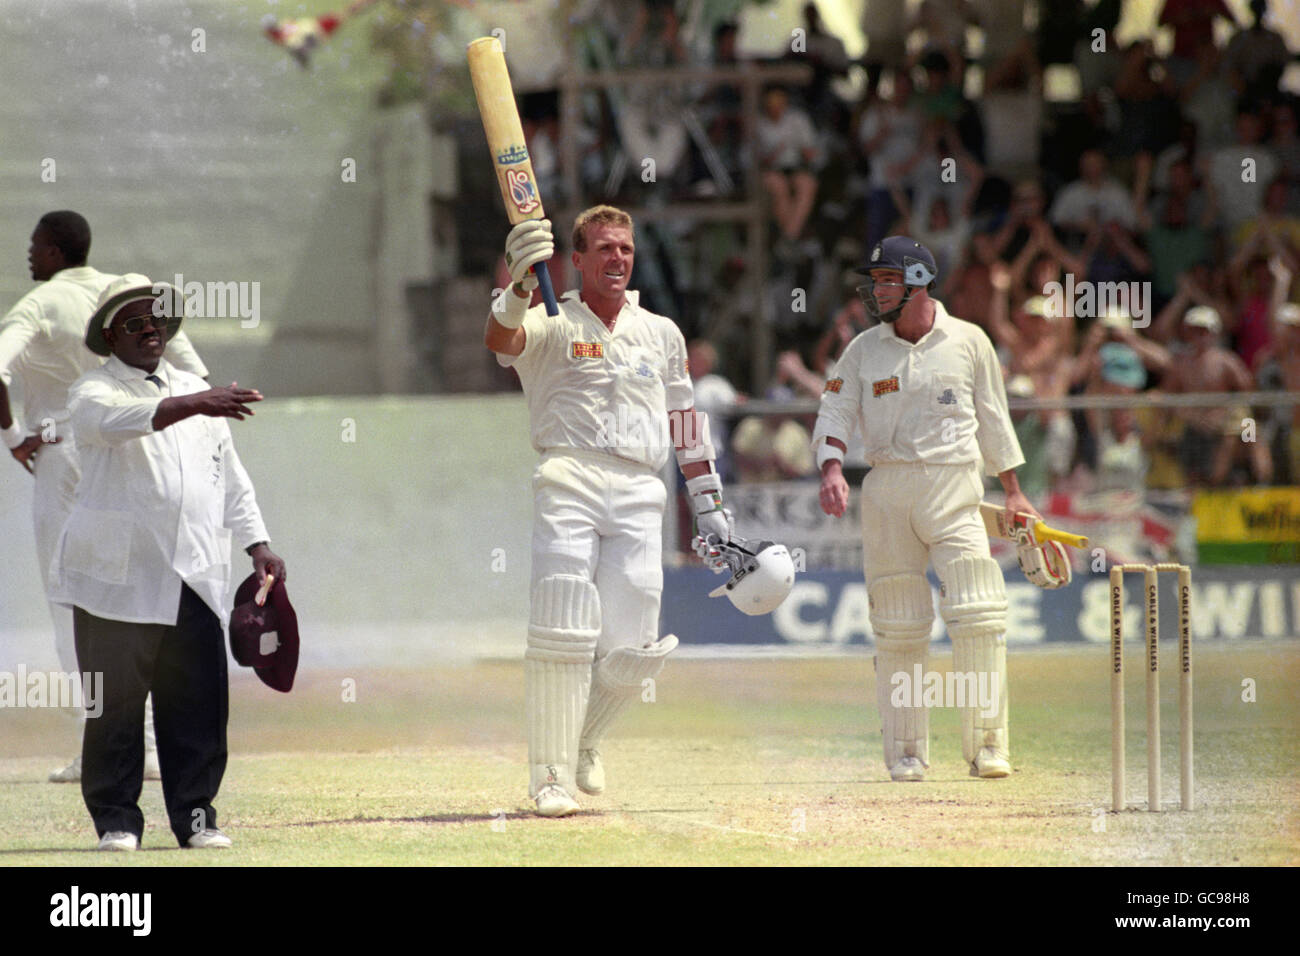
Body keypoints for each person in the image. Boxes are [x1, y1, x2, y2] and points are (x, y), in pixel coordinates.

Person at [484, 206, 739, 817]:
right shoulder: (549, 318)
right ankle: (550, 776)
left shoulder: (661, 332)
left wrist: (708, 502)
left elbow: (684, 419)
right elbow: (500, 342)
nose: (617, 258)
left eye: (624, 248)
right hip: (568, 475)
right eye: (603, 248)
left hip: (640, 487)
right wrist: (518, 285)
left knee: (636, 644)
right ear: (578, 260)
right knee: (563, 623)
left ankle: (584, 739)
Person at [812, 237, 1067, 782]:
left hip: (957, 486)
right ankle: (907, 752)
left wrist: (1014, 491)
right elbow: (834, 408)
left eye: (887, 281)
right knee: (899, 623)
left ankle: (989, 746)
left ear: (919, 281)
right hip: (888, 489)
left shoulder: (970, 341)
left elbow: (994, 418)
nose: (876, 292)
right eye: (875, 282)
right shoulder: (863, 349)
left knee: (979, 611)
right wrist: (831, 469)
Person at [47, 274, 284, 851]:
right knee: (116, 710)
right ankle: (118, 822)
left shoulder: (195, 389)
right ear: (111, 336)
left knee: (197, 707)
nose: (150, 328)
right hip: (116, 580)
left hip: (191, 576)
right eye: (134, 322)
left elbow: (229, 476)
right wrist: (197, 402)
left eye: (157, 318)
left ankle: (197, 819)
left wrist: (257, 544)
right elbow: (118, 423)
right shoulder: (92, 391)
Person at [0, 211, 208, 784]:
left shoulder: (39, 304)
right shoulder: (129, 298)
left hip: (66, 453)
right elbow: (195, 374)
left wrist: (16, 439)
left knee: (72, 600)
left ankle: (104, 746)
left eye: (35, 246)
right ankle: (154, 746)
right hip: (138, 450)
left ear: (54, 251)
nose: (30, 254)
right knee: (141, 594)